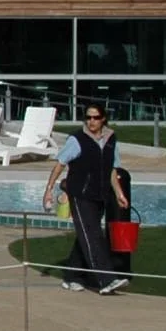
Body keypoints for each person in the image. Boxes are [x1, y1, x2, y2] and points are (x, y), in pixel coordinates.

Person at [42, 103, 130, 294]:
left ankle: (72, 276)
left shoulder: (110, 139)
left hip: (100, 195)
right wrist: (48, 190)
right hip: (80, 194)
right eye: (88, 118)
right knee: (93, 235)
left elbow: (112, 170)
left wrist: (119, 193)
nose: (91, 121)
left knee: (86, 234)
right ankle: (106, 280)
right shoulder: (77, 140)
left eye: (96, 118)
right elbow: (59, 165)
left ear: (103, 119)